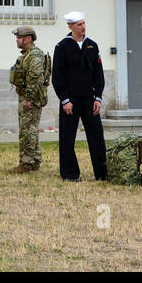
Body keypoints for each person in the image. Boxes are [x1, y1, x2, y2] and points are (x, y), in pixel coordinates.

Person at [51, 10, 107, 181]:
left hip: (89, 98)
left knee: (96, 136)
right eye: (79, 25)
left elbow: (99, 74)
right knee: (67, 137)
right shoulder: (62, 47)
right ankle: (70, 174)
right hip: (71, 100)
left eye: (83, 23)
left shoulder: (92, 45)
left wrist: (98, 97)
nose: (83, 27)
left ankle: (102, 173)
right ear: (70, 26)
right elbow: (57, 76)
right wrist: (65, 99)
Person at [8, 25, 49, 173]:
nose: (17, 40)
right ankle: (34, 161)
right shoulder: (27, 54)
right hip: (28, 97)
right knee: (31, 130)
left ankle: (26, 164)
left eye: (19, 37)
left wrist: (28, 99)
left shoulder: (34, 55)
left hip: (31, 99)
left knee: (27, 131)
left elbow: (35, 79)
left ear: (29, 38)